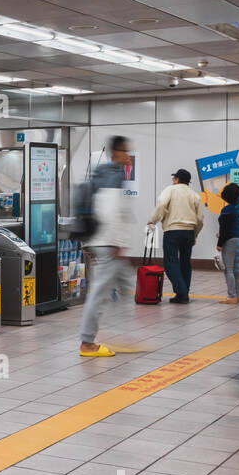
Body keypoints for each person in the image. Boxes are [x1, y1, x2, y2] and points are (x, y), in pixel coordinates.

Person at [79, 136, 136, 358]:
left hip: (99, 240)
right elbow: (110, 211)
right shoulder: (114, 174)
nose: (128, 155)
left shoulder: (101, 172)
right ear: (115, 153)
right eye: (125, 151)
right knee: (99, 293)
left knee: (124, 281)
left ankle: (117, 330)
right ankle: (87, 342)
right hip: (107, 243)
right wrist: (118, 243)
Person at [148, 168, 203, 304]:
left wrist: (153, 220)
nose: (173, 181)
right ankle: (183, 294)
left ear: (177, 179)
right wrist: (195, 234)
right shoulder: (194, 195)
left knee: (170, 262)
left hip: (172, 231)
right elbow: (200, 219)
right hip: (189, 232)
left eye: (174, 178)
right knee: (185, 263)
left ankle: (182, 291)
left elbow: (161, 205)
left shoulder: (170, 190)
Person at [216, 182, 239, 305]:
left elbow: (225, 230)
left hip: (230, 242)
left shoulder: (227, 210)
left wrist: (219, 243)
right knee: (237, 270)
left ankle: (231, 296)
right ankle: (236, 296)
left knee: (229, 270)